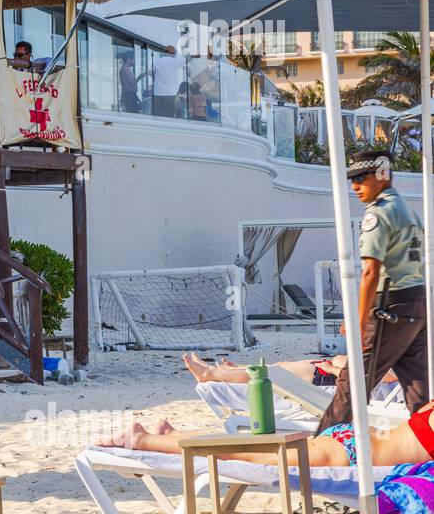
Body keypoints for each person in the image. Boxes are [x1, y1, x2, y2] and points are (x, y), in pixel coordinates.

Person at [317, 149, 429, 431]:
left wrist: (356, 320)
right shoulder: (408, 211)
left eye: (361, 178)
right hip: (417, 304)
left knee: (352, 381)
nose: (355, 186)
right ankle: (427, 446)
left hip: (389, 307)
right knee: (419, 389)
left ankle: (326, 444)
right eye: (352, 180)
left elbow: (370, 272)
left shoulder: (379, 214)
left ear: (381, 174)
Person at [100, 402, 434, 469]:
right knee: (239, 453)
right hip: (349, 455)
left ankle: (170, 433)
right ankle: (142, 440)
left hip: (349, 436)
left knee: (252, 447)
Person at [182, 352, 397, 388]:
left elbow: (371, 379)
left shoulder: (394, 370)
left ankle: (210, 373)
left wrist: (333, 369)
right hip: (322, 369)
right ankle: (233, 369)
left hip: (325, 378)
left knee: (272, 375)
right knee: (279, 367)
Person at [150, 46, 184, 117]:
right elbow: (186, 59)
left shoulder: (157, 60)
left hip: (158, 93)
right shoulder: (176, 61)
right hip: (171, 94)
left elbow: (150, 72)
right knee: (169, 116)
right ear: (173, 53)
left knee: (157, 116)